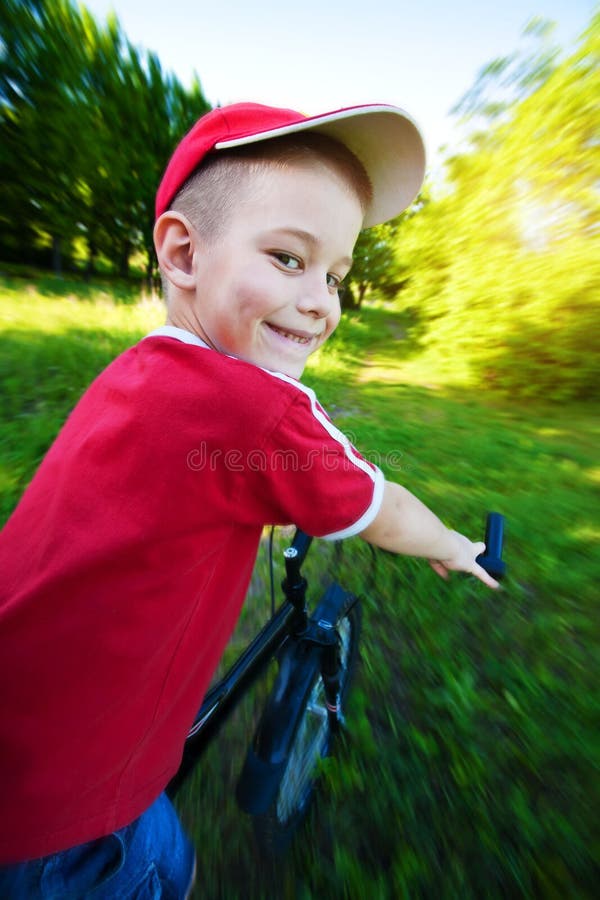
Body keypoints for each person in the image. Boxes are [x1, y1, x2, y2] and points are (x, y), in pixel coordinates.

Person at [0, 101, 498, 897]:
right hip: (65, 806)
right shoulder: (257, 411)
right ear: (183, 251)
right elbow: (383, 509)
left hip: (18, 708)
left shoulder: (144, 369)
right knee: (169, 873)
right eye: (289, 259)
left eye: (335, 275)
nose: (323, 302)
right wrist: (450, 543)